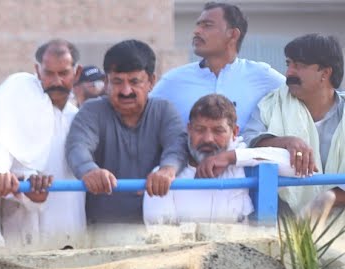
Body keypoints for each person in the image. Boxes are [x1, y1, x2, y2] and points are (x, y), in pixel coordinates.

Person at [0, 39, 86, 249]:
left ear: (76, 73)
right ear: (37, 71)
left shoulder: (79, 119)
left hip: (72, 227)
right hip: (24, 230)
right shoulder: (15, 106)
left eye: (64, 73)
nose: (56, 81)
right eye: (49, 73)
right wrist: (13, 182)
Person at [66, 40, 188, 225]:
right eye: (117, 82)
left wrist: (167, 170)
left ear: (151, 81)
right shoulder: (92, 111)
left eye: (134, 82)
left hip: (158, 233)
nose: (126, 91)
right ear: (106, 82)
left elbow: (178, 145)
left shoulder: (164, 110)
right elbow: (77, 146)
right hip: (101, 233)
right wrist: (89, 171)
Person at [144, 93, 295, 224]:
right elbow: (161, 239)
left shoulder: (244, 164)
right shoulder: (165, 177)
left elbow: (295, 168)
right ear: (189, 129)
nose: (208, 139)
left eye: (218, 131)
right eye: (200, 130)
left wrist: (231, 157)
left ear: (234, 132)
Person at [245, 33, 345, 213]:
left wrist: (329, 198)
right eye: (288, 64)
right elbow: (248, 142)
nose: (288, 72)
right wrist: (285, 142)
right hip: (283, 222)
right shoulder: (271, 104)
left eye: (299, 65)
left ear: (325, 73)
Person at [151, 3, 283, 132]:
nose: (196, 31)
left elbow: (298, 99)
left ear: (233, 34)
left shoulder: (263, 77)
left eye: (207, 25)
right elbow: (142, 118)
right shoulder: (173, 81)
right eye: (198, 25)